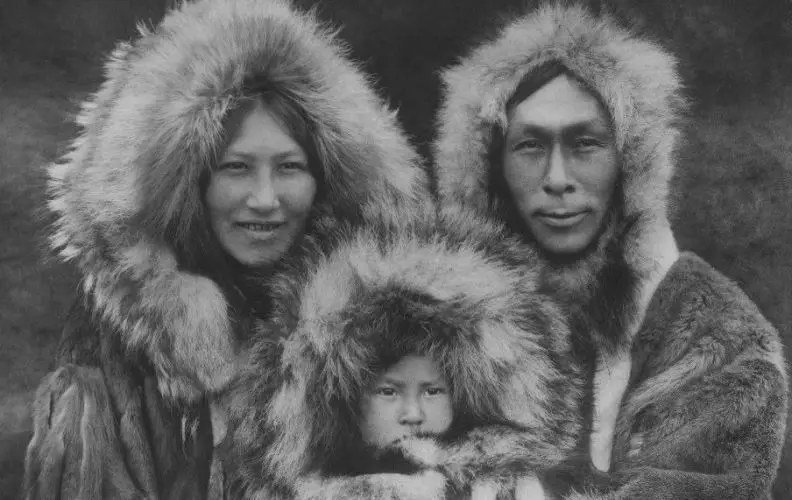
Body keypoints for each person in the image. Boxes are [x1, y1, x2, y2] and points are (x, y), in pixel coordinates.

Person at [23, 0, 431, 498]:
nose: (264, 200)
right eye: (235, 168)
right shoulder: (114, 347)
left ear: (324, 181)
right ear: (190, 185)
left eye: (289, 167)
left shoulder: (386, 328)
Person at [432, 2, 788, 498]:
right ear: (491, 168)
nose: (558, 180)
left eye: (585, 143)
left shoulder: (717, 335)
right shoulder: (432, 324)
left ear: (630, 162)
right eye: (530, 146)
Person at [218, 209, 593, 499]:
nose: (413, 414)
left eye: (432, 391)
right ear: (343, 407)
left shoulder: (504, 491)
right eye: (388, 392)